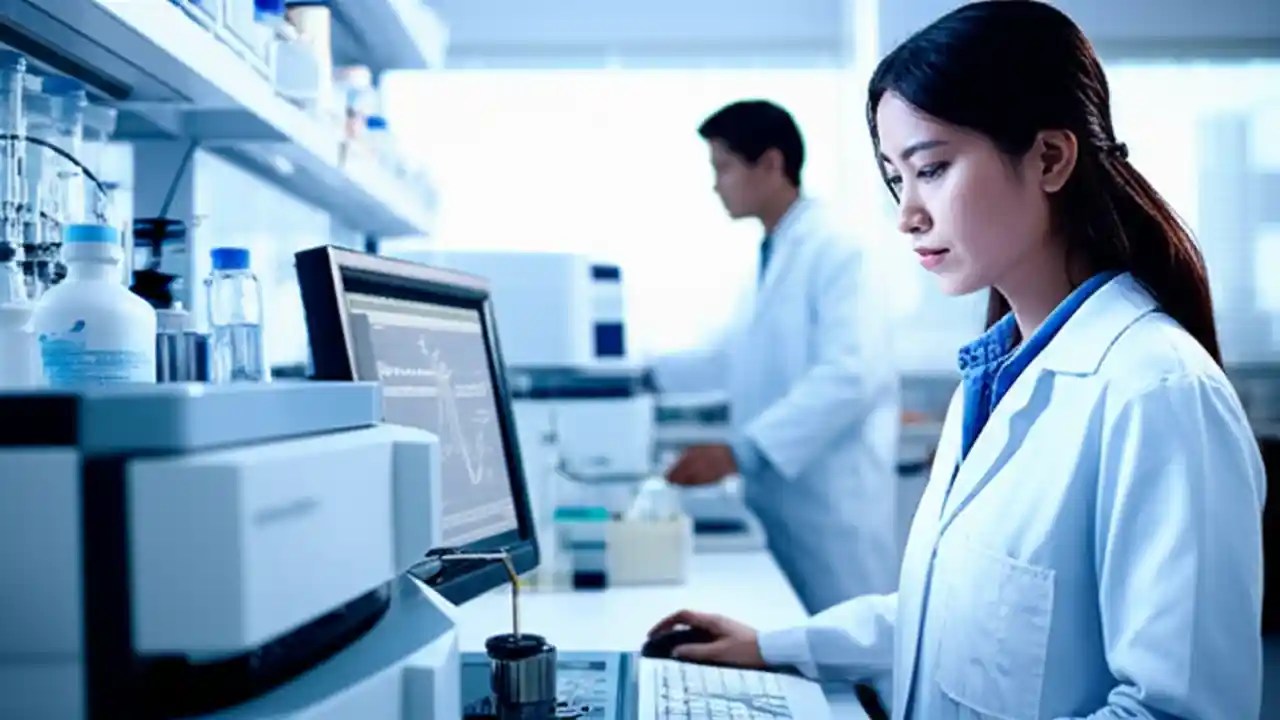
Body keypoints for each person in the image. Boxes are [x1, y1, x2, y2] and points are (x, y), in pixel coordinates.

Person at [647, 2, 1267, 719]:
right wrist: (777, 645)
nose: (907, 213)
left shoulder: (1157, 394)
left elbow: (1177, 710)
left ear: (1050, 158)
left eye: (932, 169)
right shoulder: (1001, 374)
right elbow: (958, 608)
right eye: (895, 180)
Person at [652, 99, 902, 614]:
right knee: (802, 646)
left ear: (770, 164)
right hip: (784, 496)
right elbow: (729, 357)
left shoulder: (835, 248)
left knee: (852, 659)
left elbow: (851, 374)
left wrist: (740, 452)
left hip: (830, 501)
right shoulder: (774, 252)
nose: (716, 183)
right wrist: (637, 375)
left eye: (723, 166)